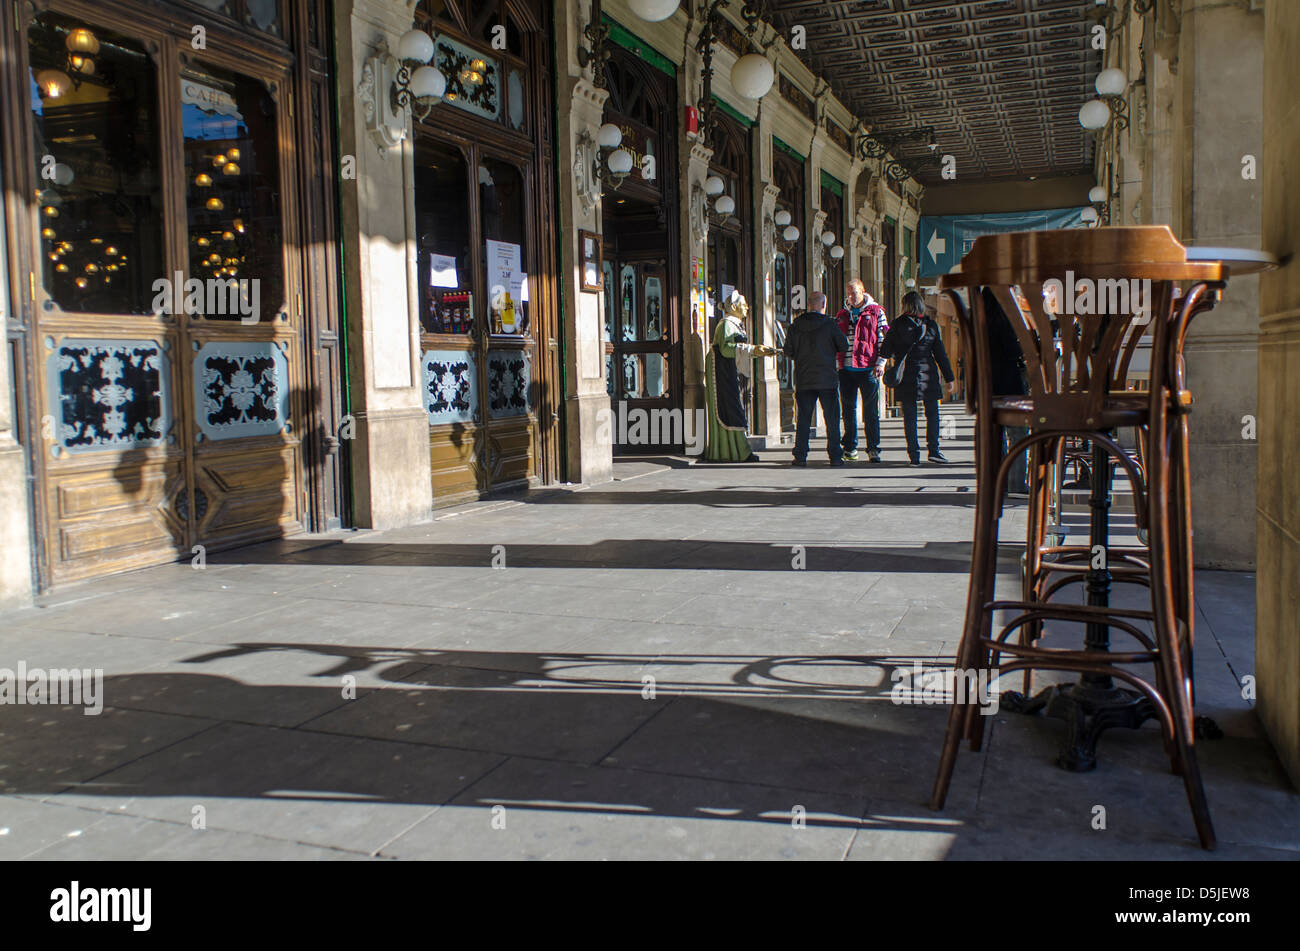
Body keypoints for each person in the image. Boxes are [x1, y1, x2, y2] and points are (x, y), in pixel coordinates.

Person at [878, 291, 956, 466]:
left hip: (906, 375)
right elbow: (940, 355)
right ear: (921, 305)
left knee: (910, 417)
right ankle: (934, 451)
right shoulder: (931, 325)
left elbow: (885, 352)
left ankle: (914, 456)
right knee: (933, 414)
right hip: (928, 374)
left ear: (904, 305)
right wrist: (949, 378)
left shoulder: (897, 325)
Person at [704, 290, 777, 462]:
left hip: (727, 369)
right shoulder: (726, 324)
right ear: (734, 306)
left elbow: (735, 350)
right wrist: (752, 350)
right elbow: (727, 349)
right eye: (743, 304)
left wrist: (756, 352)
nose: (747, 307)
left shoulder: (733, 324)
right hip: (720, 371)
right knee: (729, 407)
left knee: (732, 407)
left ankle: (736, 450)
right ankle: (733, 451)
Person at [782, 290, 848, 467]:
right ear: (823, 305)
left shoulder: (796, 324)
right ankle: (835, 456)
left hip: (804, 378)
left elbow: (788, 350)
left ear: (809, 304)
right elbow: (844, 345)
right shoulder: (830, 324)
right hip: (827, 378)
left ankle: (800, 455)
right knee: (832, 419)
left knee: (803, 418)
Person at [835, 278, 889, 463]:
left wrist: (881, 363)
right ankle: (850, 448)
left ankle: (873, 448)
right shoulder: (842, 314)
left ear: (863, 291)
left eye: (854, 293)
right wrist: (837, 362)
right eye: (848, 293)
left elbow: (883, 339)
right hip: (846, 370)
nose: (851, 296)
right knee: (848, 410)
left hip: (868, 369)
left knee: (871, 411)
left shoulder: (876, 312)